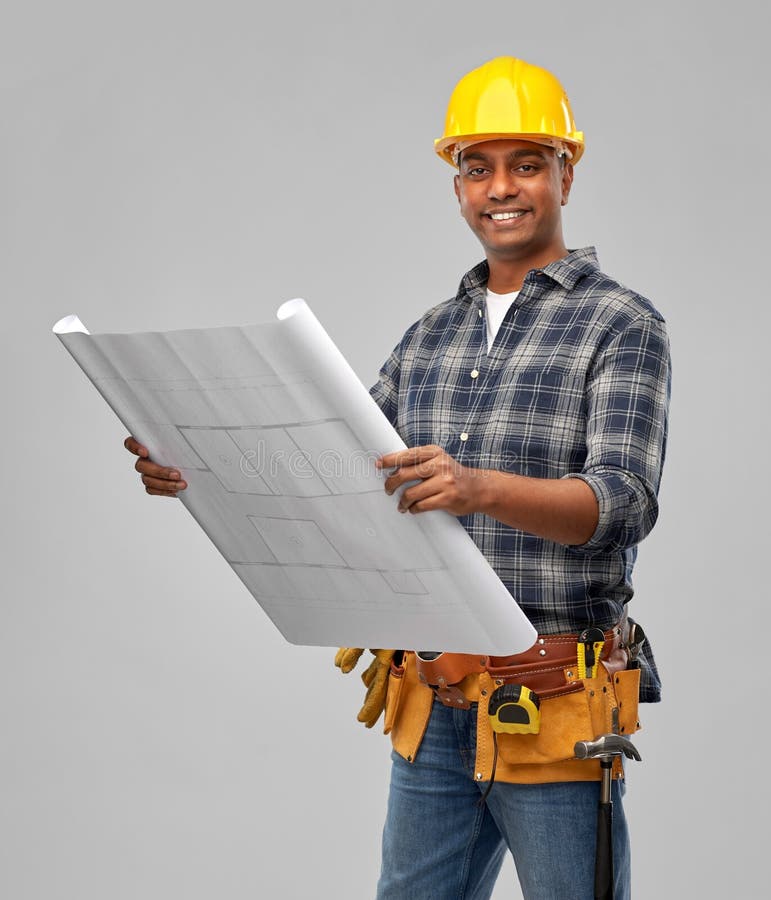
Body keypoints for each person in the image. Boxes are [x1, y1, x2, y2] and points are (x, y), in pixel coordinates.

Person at [125, 56, 670, 900]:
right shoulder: (428, 336)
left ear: (567, 170)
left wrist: (478, 487)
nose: (501, 188)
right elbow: (336, 469)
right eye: (476, 167)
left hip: (555, 711)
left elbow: (621, 505)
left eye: (526, 163)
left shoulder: (619, 324)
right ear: (454, 185)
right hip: (437, 704)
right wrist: (195, 468)